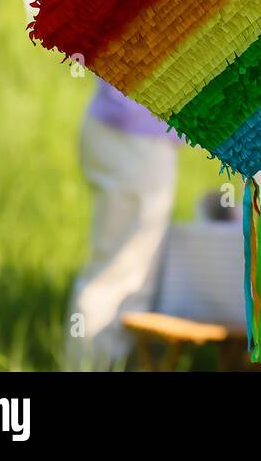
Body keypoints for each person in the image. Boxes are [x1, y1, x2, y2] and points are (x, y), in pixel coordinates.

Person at [65, 78, 179, 371]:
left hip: (119, 126)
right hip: (136, 137)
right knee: (120, 276)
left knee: (122, 270)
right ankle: (92, 364)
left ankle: (99, 362)